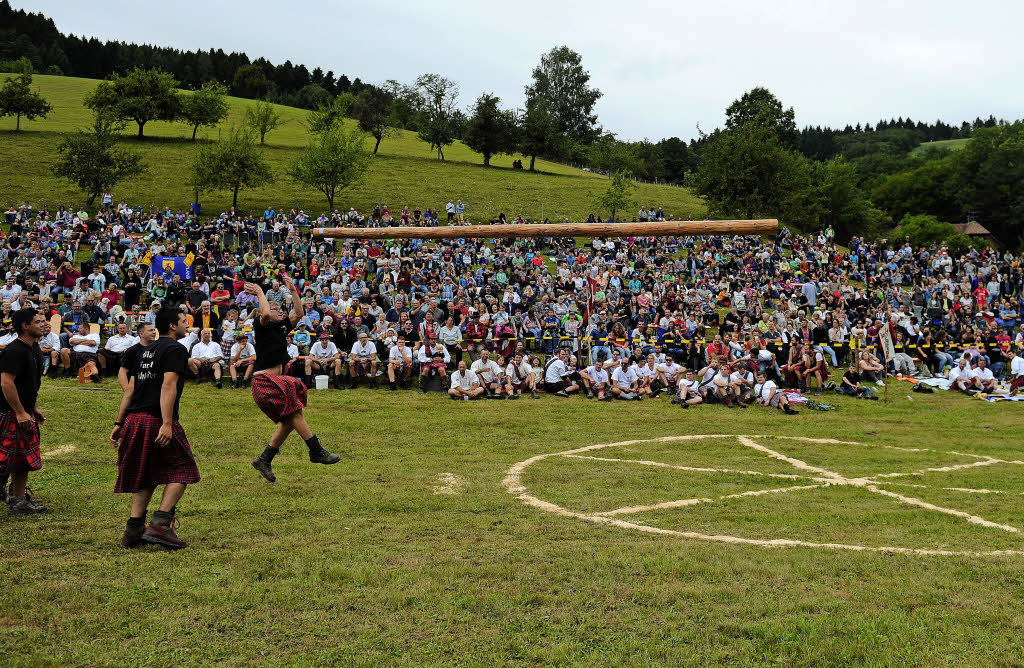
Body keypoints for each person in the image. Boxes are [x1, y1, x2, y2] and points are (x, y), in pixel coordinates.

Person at [110, 308, 200, 549]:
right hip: (154, 419)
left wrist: (120, 423)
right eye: (183, 321)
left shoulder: (145, 350)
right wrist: (167, 423)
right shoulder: (175, 349)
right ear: (172, 325)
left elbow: (130, 389)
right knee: (184, 469)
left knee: (145, 473)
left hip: (134, 419)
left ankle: (133, 530)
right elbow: (168, 386)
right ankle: (160, 525)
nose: (186, 326)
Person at [246, 279, 340, 484]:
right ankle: (316, 450)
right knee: (295, 412)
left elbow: (298, 313)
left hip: (275, 380)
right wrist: (261, 293)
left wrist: (293, 290)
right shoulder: (261, 325)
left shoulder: (280, 327)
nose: (280, 312)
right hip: (264, 381)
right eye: (275, 309)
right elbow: (263, 313)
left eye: (280, 309)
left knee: (291, 420)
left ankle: (265, 459)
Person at [0, 309, 47, 515]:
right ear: (25, 326)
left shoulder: (34, 348)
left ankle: (18, 501)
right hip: (8, 412)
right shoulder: (14, 350)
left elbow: (31, 383)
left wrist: (33, 407)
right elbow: (6, 382)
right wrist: (19, 412)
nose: (43, 324)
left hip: (24, 410)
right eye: (37, 322)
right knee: (3, 460)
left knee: (22, 459)